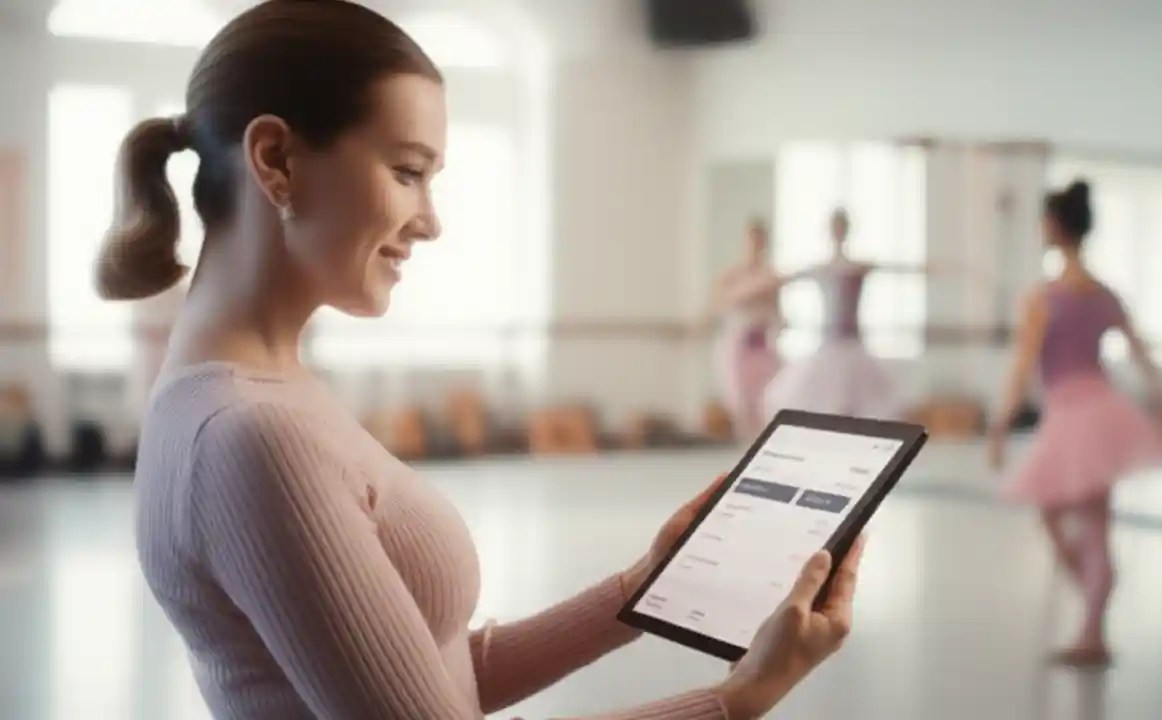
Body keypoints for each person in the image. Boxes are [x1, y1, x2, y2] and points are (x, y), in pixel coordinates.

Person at [103, 2, 864, 718]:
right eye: (407, 171)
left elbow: (431, 676)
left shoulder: (240, 395)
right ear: (275, 160)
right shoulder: (251, 435)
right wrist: (740, 698)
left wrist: (642, 586)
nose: (429, 221)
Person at [988, 180, 1162, 668]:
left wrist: (1000, 425)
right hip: (1098, 411)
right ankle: (1096, 609)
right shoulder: (1102, 293)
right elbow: (1142, 356)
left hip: (1077, 414)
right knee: (1082, 523)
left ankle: (1093, 629)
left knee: (1077, 524)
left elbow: (1022, 367)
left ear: (1053, 226)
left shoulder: (1044, 297)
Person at [762, 208, 911, 420]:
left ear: (847, 231)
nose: (839, 232)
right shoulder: (822, 268)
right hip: (829, 347)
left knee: (860, 409)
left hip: (854, 347)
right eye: (836, 227)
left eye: (842, 227)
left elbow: (898, 269)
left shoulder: (857, 267)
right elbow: (783, 279)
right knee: (825, 407)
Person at [713, 218, 782, 440]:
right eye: (753, 240)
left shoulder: (771, 276)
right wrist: (749, 292)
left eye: (760, 240)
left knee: (765, 403)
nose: (756, 244)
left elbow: (777, 314)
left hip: (762, 347)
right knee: (741, 405)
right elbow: (719, 303)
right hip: (739, 348)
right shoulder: (733, 275)